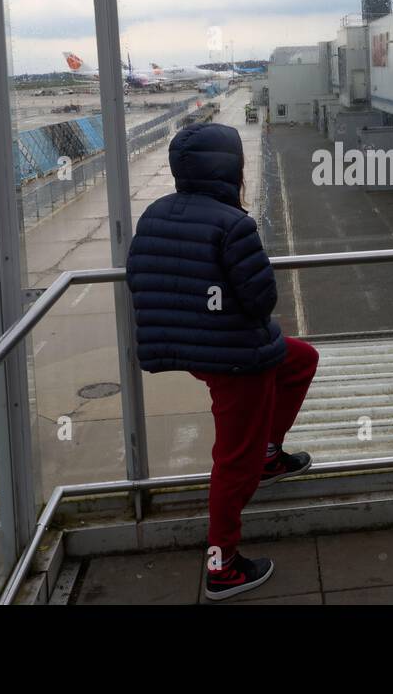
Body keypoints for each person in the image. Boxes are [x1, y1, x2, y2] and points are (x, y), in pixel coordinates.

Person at [126, 121, 318, 601]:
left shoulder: (154, 214)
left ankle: (270, 456)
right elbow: (260, 301)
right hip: (235, 357)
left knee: (298, 360)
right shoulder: (233, 224)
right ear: (230, 170)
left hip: (197, 347)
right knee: (234, 460)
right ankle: (223, 565)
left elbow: (140, 278)